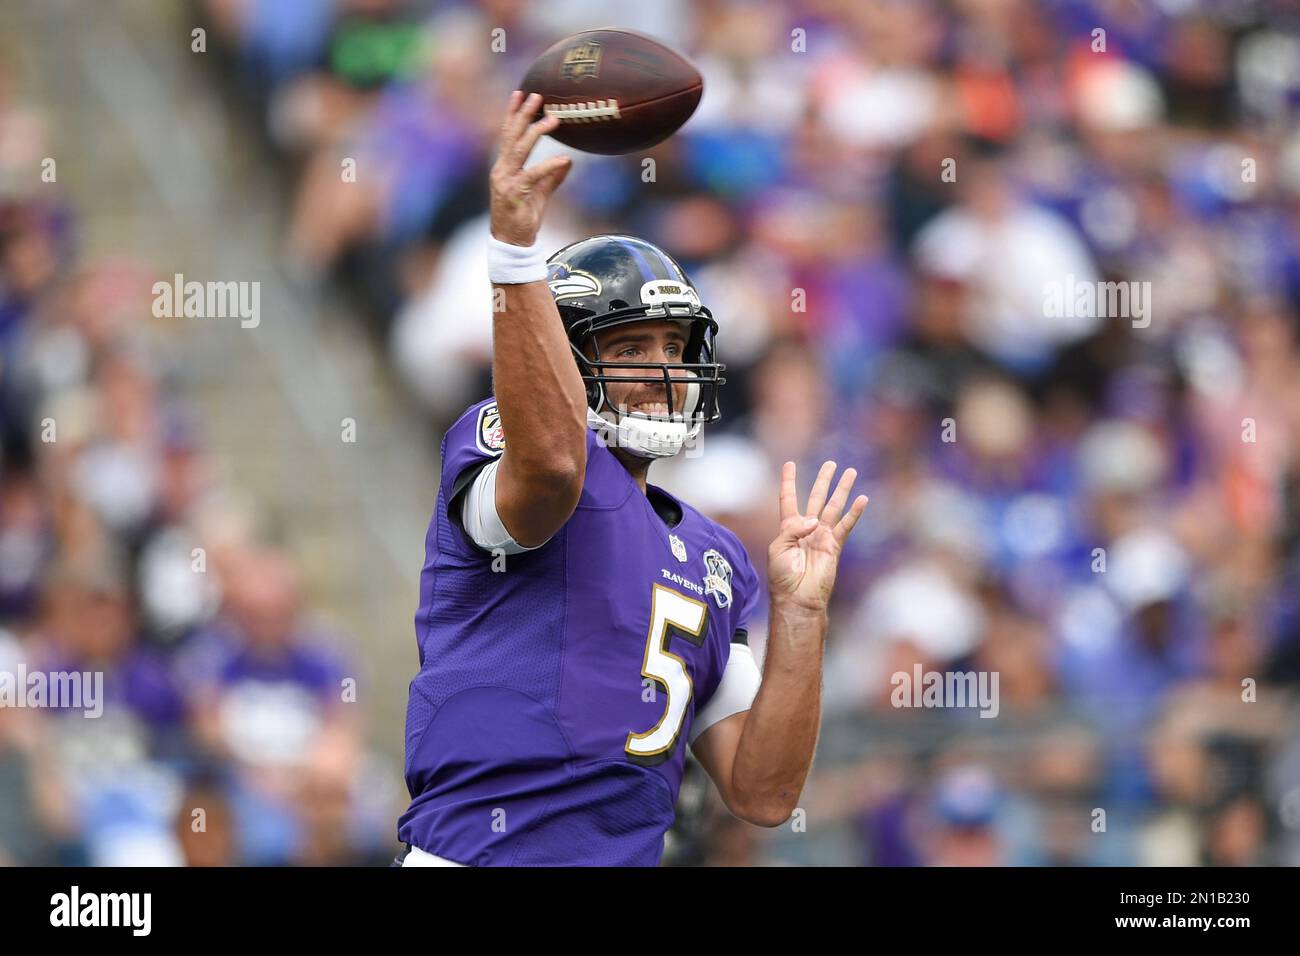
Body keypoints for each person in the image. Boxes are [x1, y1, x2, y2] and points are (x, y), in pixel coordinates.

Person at [395, 92, 868, 866]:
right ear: (572, 357)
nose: (662, 370)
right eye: (630, 346)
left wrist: (802, 619)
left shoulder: (715, 556)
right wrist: (515, 256)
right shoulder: (509, 445)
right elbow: (550, 465)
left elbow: (763, 793)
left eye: (673, 347)